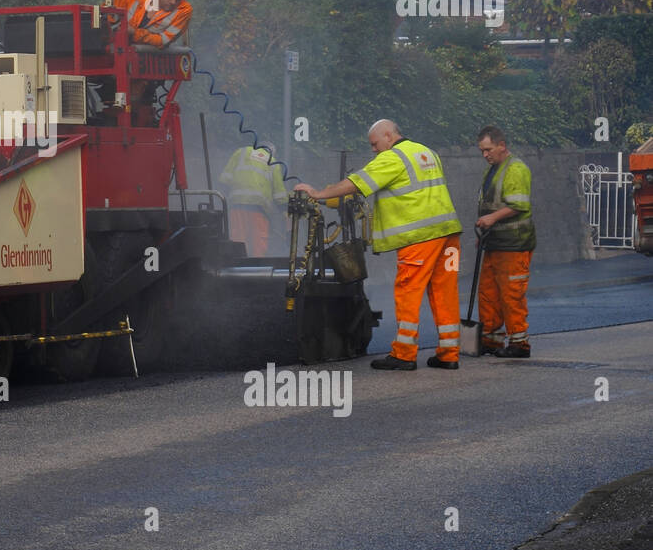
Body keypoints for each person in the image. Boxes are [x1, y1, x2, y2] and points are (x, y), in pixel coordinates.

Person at [294, 119, 463, 371]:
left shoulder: (393, 158)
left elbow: (357, 183)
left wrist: (319, 194)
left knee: (408, 291)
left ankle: (404, 354)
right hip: (449, 233)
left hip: (420, 238)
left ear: (388, 135)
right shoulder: (427, 152)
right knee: (444, 291)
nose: (373, 149)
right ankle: (449, 354)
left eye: (374, 144)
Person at [474, 125, 535, 357]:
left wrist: (491, 218)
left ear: (502, 145)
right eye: (482, 151)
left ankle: (519, 343)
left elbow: (519, 205)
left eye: (488, 149)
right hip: (495, 243)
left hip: (514, 244)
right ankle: (491, 340)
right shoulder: (493, 169)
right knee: (488, 292)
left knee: (511, 294)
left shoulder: (516, 169)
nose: (485, 155)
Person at [219, 143, 289, 256]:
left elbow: (224, 180)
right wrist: (284, 210)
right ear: (272, 151)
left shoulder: (241, 152)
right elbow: (279, 194)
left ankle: (237, 267)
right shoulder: (273, 161)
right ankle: (258, 267)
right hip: (259, 209)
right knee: (258, 243)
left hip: (237, 206)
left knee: (238, 240)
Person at [112, 0, 191, 48]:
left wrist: (134, 32)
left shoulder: (184, 10)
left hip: (145, 57)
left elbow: (164, 41)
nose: (173, 2)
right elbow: (104, 16)